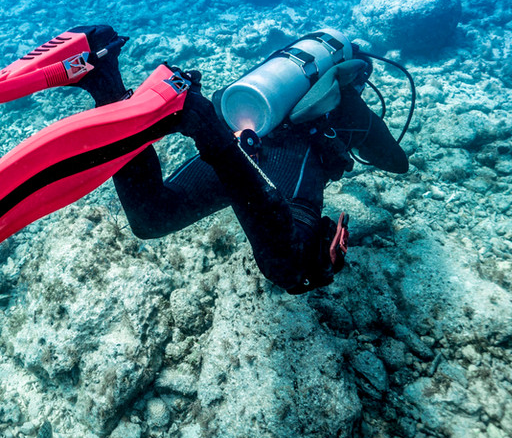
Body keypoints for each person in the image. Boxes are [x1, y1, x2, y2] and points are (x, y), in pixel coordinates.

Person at [74, 24, 409, 294]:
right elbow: (396, 162)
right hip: (289, 157)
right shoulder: (351, 107)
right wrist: (359, 118)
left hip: (237, 133)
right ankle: (202, 127)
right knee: (291, 268)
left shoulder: (279, 78)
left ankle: (107, 84)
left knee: (152, 218)